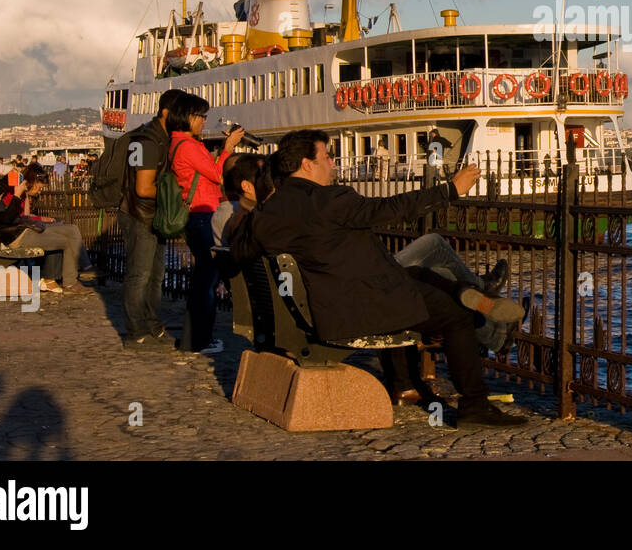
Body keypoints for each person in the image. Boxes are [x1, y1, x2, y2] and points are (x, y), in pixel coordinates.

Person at [249, 129, 527, 427]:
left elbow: (241, 251)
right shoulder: (329, 199)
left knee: (419, 273)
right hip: (360, 309)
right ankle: (475, 405)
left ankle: (466, 290)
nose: (332, 164)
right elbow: (386, 209)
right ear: (307, 164)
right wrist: (449, 191)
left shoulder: (269, 210)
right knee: (456, 314)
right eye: (327, 157)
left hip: (326, 305)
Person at [168, 93, 244, 353]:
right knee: (207, 280)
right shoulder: (188, 146)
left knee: (203, 279)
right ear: (188, 117)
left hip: (198, 214)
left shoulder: (180, 143)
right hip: (202, 214)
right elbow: (216, 173)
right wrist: (228, 148)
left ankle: (193, 338)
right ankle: (200, 340)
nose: (203, 121)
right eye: (201, 116)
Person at [121, 89, 190, 351]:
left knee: (155, 275)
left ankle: (151, 324)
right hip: (139, 214)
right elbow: (143, 188)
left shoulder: (160, 137)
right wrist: (177, 197)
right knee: (140, 275)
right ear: (166, 113)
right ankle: (135, 331)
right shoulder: (148, 139)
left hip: (153, 214)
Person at [0, 172, 93, 295]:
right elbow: (6, 219)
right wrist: (17, 195)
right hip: (18, 237)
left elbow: (4, 214)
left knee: (71, 229)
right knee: (65, 242)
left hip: (23, 229)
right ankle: (70, 283)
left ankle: (86, 267)